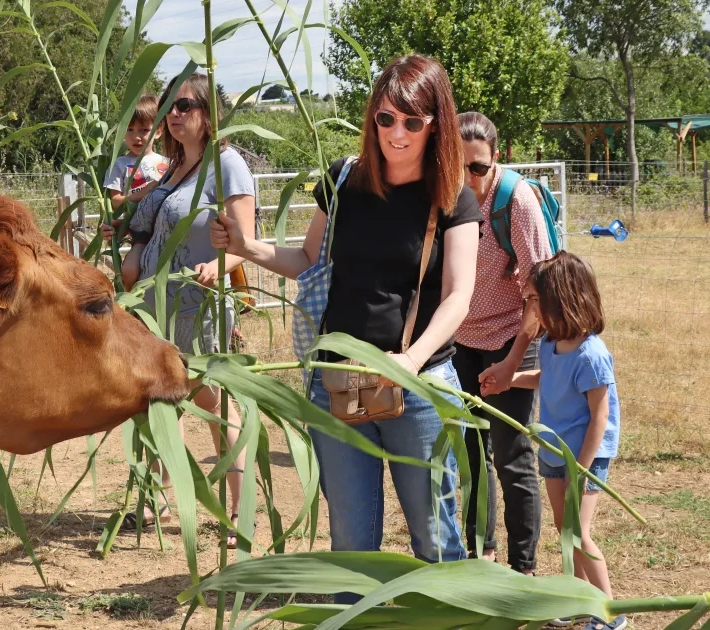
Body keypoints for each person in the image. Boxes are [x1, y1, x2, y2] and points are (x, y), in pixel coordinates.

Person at [210, 54, 480, 596]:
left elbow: (458, 296)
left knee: (435, 539)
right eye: (386, 118)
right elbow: (309, 259)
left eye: (412, 121)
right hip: (340, 382)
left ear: (436, 125)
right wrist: (246, 247)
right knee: (352, 544)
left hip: (420, 386)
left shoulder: (452, 197)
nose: (396, 133)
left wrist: (410, 360)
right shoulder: (343, 181)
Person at [101, 72, 255, 548]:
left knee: (214, 404)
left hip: (196, 306)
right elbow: (151, 225)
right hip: (153, 311)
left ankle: (241, 511)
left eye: (184, 105)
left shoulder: (226, 165)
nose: (173, 113)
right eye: (169, 105)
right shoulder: (172, 167)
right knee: (159, 403)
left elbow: (246, 242)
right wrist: (119, 230)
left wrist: (217, 265)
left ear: (209, 113)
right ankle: (160, 500)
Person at [495, 251, 624, 630]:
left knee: (578, 533)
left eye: (535, 299)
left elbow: (600, 416)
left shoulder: (591, 355)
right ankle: (579, 599)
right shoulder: (552, 343)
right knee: (563, 529)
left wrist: (581, 468)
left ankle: (609, 612)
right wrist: (508, 379)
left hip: (583, 458)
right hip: (554, 451)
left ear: (562, 299)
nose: (530, 307)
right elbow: (545, 377)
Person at [453, 111, 552, 573]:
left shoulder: (517, 201)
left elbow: (539, 292)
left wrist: (513, 363)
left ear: (496, 159)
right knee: (471, 453)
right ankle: (481, 554)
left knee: (512, 456)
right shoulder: (443, 195)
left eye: (478, 167)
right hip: (459, 342)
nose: (468, 178)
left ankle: (523, 569)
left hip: (512, 335)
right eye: (458, 165)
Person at [103, 95, 169, 290]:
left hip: (167, 229)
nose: (136, 136)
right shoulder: (119, 164)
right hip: (140, 231)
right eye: (129, 129)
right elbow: (116, 201)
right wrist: (145, 192)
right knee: (128, 272)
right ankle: (129, 303)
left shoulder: (168, 163)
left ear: (158, 131)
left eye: (144, 130)